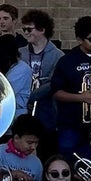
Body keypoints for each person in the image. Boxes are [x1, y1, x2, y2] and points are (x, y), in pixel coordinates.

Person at [52, 16, 91, 159]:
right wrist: (80, 97)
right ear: (80, 40)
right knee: (69, 158)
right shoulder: (67, 61)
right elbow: (56, 92)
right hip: (71, 123)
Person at [20, 9, 64, 153]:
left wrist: (28, 96)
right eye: (24, 29)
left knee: (46, 151)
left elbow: (53, 84)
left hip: (47, 113)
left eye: (29, 29)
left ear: (42, 30)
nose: (26, 32)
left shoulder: (58, 55)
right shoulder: (20, 53)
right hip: (24, 113)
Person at [0, 114, 44, 181]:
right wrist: (12, 175)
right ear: (16, 138)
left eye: (36, 143)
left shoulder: (37, 163)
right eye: (29, 142)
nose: (33, 147)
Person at [0, 33, 32, 117]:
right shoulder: (4, 67)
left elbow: (6, 90)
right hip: (2, 112)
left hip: (17, 113)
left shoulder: (22, 68)